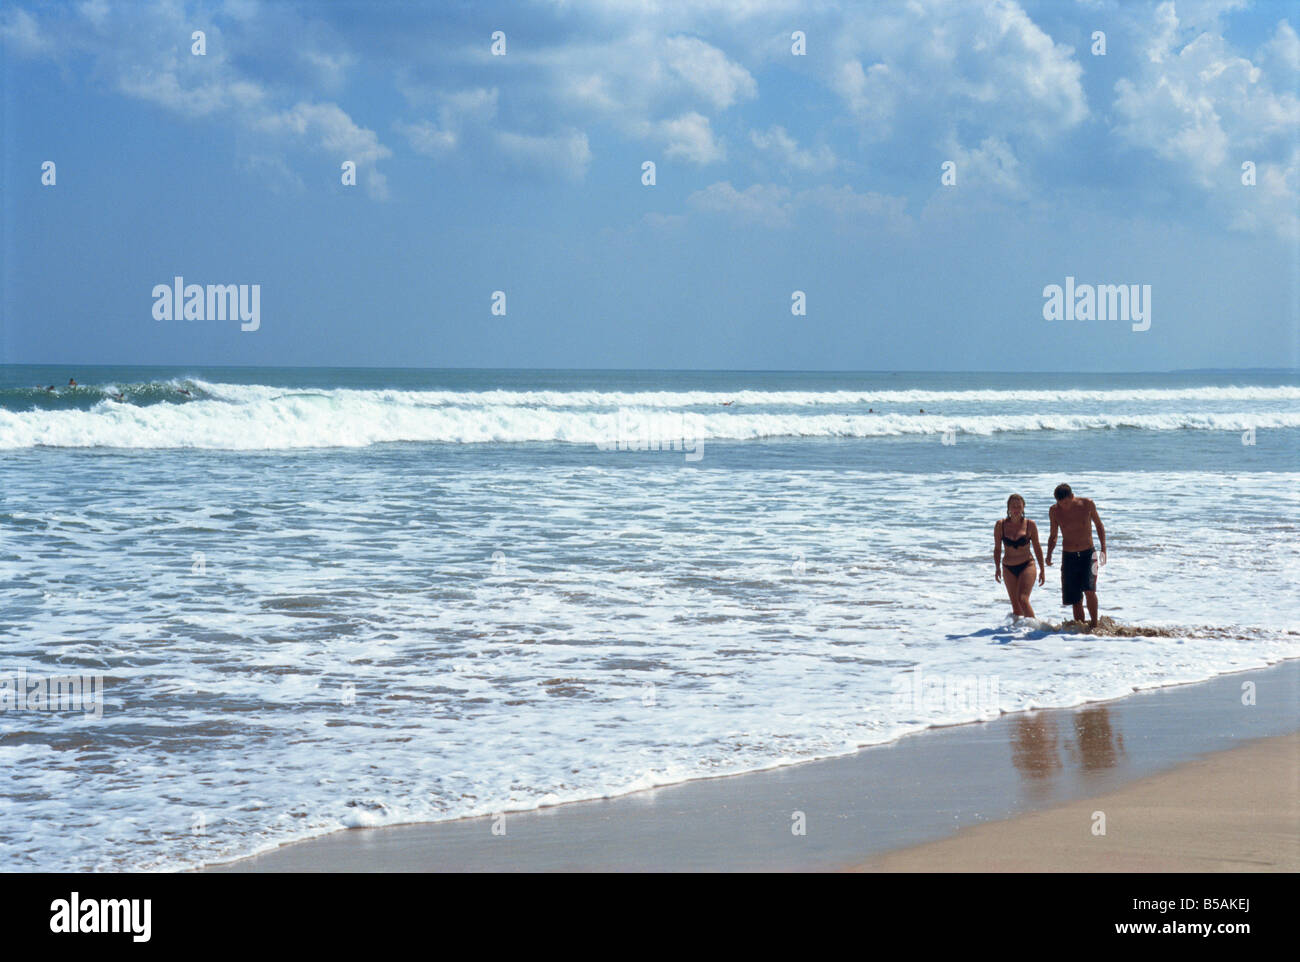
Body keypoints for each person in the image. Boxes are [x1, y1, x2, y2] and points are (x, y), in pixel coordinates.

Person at [1046, 483, 1106, 629]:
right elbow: (1053, 535)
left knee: (1090, 590)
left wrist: (1103, 548)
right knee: (1075, 597)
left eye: (1066, 502)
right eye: (1060, 503)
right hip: (1069, 556)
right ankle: (1081, 631)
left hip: (1089, 554)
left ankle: (1094, 624)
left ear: (1072, 497)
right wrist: (1049, 554)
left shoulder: (1087, 504)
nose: (1064, 506)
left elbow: (1099, 525)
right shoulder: (1054, 511)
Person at [994, 493, 1045, 618]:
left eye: (1019, 506)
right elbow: (997, 549)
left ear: (1023, 508)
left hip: (1027, 565)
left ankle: (1036, 630)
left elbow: (1037, 548)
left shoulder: (1030, 525)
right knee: (1016, 608)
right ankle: (1019, 634)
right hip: (1008, 567)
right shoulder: (1000, 525)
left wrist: (1042, 569)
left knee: (1023, 599)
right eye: (1013, 506)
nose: (1016, 509)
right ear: (1008, 508)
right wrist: (997, 568)